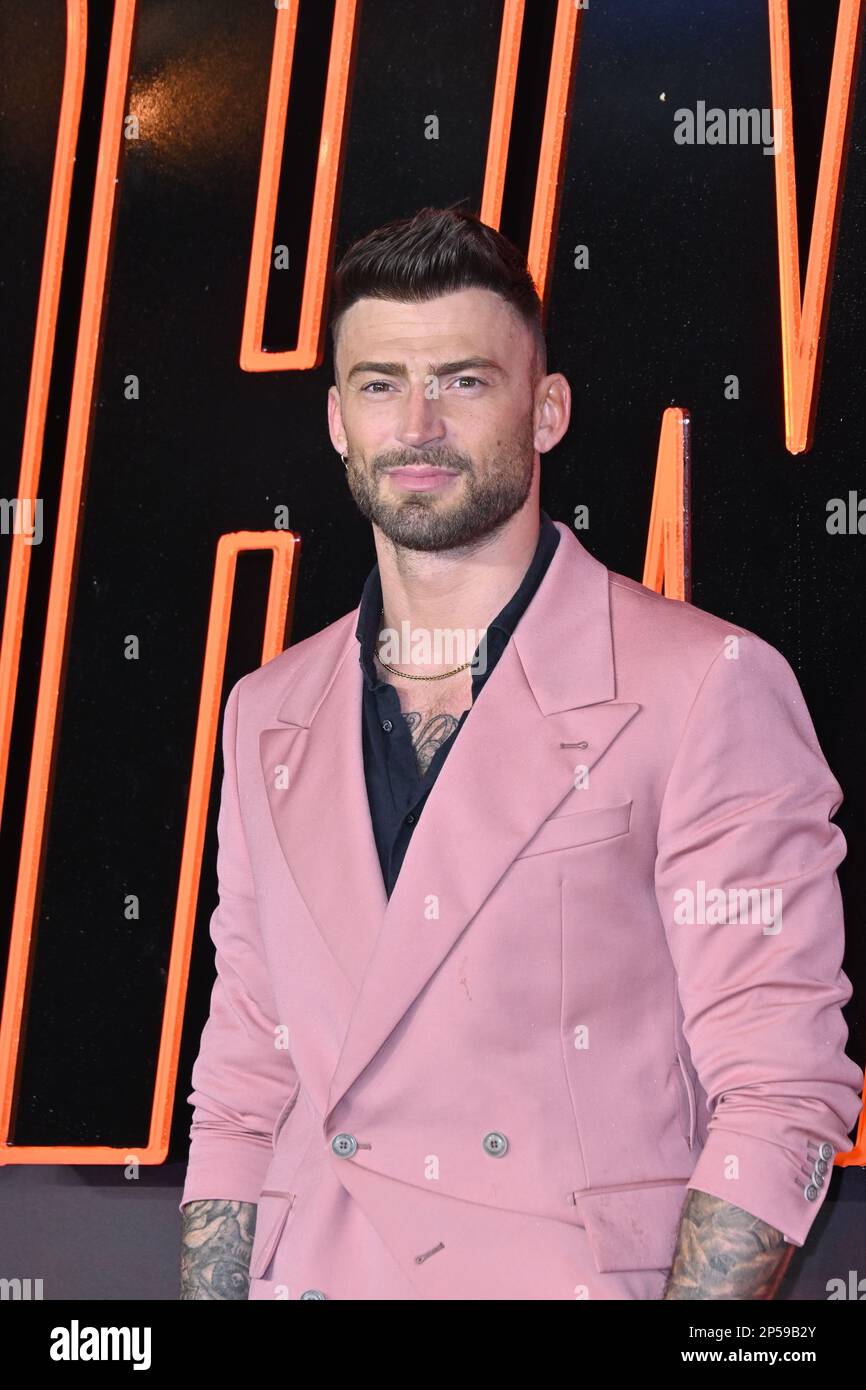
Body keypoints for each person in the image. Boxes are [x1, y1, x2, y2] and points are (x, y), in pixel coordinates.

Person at [179, 206, 863, 1300]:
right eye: (377, 384)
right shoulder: (265, 710)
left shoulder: (701, 685)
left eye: (461, 379)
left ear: (544, 411)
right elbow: (246, 1075)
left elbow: (779, 1085)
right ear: (335, 422)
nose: (416, 423)